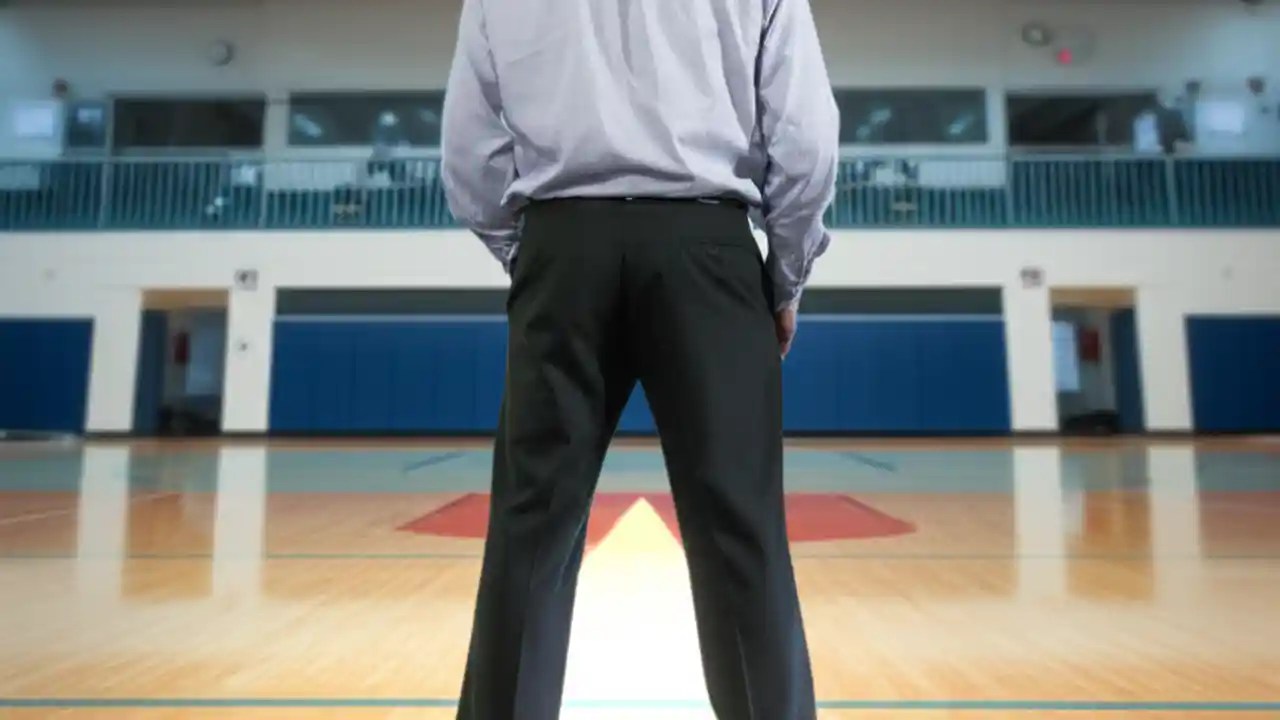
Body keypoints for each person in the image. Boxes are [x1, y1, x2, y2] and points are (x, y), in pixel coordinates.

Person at [441, 0, 838, 717]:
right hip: (707, 247)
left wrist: (533, 254)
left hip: (562, 240)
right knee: (740, 536)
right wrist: (785, 276)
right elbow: (805, 139)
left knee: (529, 535)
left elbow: (467, 149)